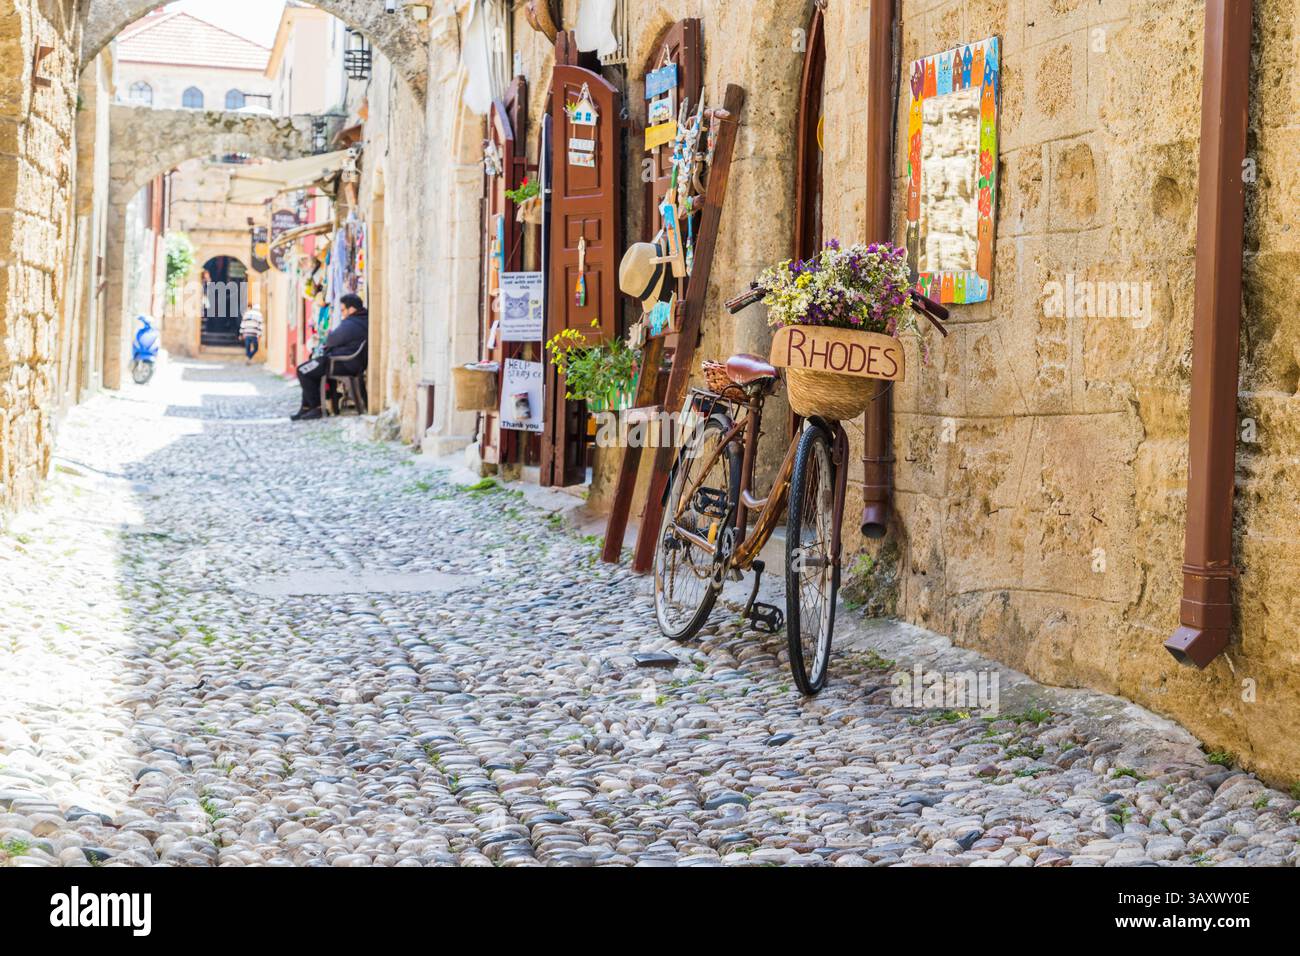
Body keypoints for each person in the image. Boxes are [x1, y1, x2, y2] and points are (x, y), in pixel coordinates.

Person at [291, 293, 369, 421]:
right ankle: (306, 408)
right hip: (348, 362)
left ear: (352, 309)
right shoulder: (362, 320)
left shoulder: (352, 323)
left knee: (302, 370)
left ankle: (316, 408)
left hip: (340, 363)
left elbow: (331, 340)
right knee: (307, 369)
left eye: (343, 310)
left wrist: (330, 342)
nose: (342, 313)